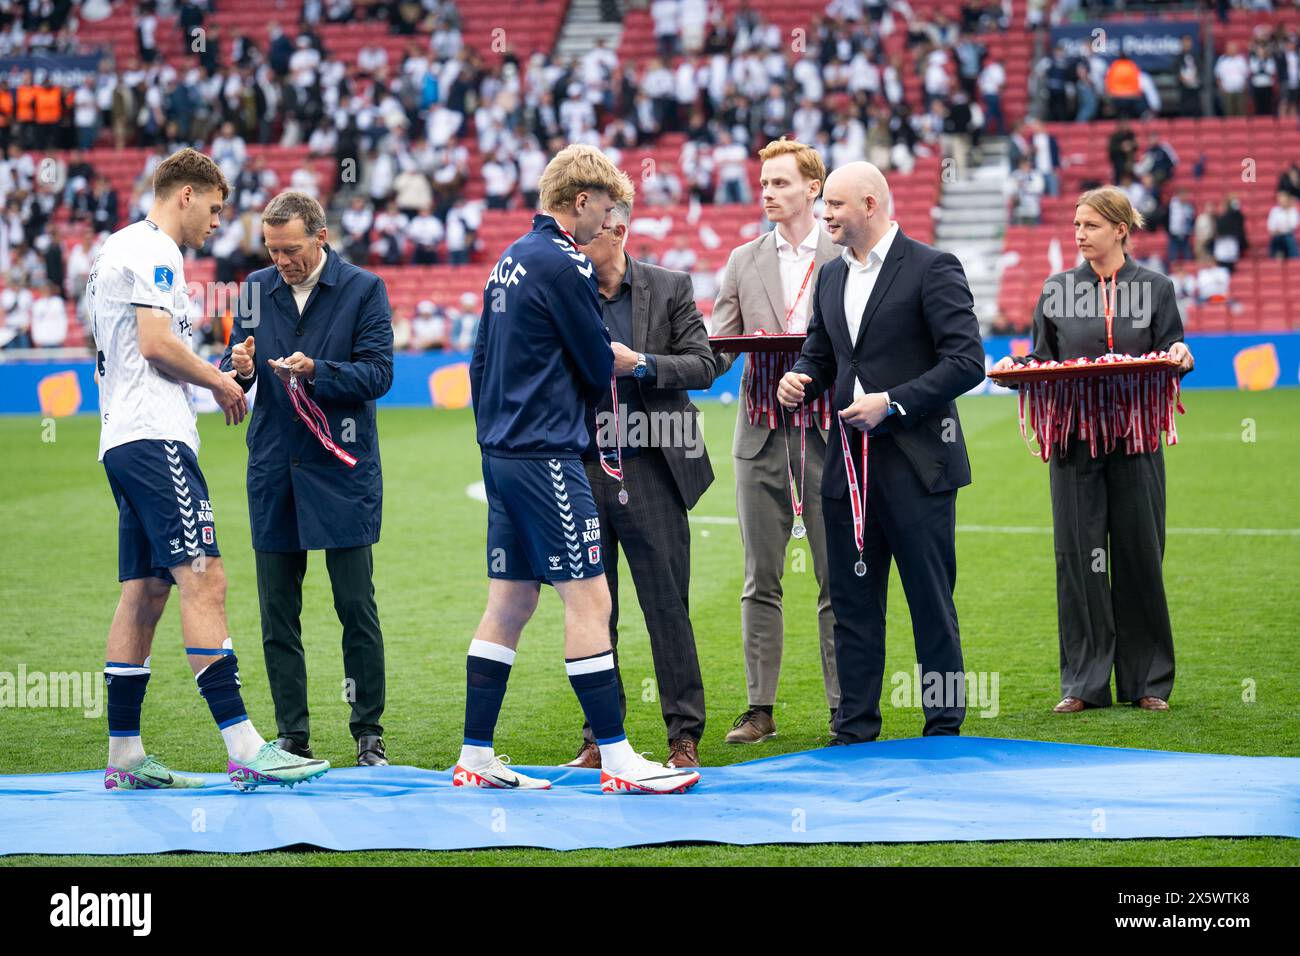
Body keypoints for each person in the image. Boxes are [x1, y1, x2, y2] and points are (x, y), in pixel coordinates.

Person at [462, 144, 700, 794]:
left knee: (509, 600)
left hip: (502, 454)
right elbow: (599, 368)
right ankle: (619, 759)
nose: (611, 219)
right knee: (591, 597)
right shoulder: (565, 263)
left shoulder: (509, 259)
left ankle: (475, 755)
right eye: (607, 205)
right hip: (547, 455)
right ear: (581, 201)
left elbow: (480, 362)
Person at [89, 147, 329, 791]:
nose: (219, 223)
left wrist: (220, 375)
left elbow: (144, 356)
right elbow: (157, 346)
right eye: (216, 208)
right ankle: (246, 747)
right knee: (206, 577)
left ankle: (124, 755)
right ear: (186, 194)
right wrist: (223, 386)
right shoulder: (156, 252)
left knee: (144, 592)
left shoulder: (116, 249)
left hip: (122, 437)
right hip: (155, 440)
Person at [777, 161, 986, 744]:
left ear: (870, 205)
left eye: (835, 206)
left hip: (919, 466)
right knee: (851, 601)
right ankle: (855, 726)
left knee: (930, 601)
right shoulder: (830, 278)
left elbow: (967, 362)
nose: (825, 216)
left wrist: (892, 402)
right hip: (846, 470)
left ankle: (943, 726)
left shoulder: (932, 267)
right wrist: (798, 379)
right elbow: (822, 357)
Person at [991, 186, 1195, 714]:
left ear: (1121, 230)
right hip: (1072, 443)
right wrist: (1019, 370)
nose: (1080, 234)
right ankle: (1083, 683)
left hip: (1137, 439)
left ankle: (1148, 681)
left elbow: (1174, 350)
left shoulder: (1155, 287)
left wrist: (1179, 354)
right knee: (1078, 562)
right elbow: (1040, 358)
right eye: (1077, 225)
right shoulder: (1055, 290)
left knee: (1140, 556)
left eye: (1091, 226)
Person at [221, 191, 394, 767]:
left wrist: (319, 371)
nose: (281, 261)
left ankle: (368, 733)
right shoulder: (253, 289)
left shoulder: (364, 289)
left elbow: (378, 375)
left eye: (291, 249)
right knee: (277, 613)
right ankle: (292, 735)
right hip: (274, 470)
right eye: (272, 250)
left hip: (341, 469)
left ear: (321, 237)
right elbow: (232, 368)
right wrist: (237, 371)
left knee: (355, 606)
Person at [563, 196, 718, 771]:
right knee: (592, 612)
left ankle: (683, 735)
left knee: (666, 608)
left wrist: (643, 364)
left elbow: (704, 364)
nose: (576, 246)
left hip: (653, 465)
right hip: (583, 467)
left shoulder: (670, 285)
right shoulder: (566, 291)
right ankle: (600, 735)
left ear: (619, 231)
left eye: (586, 237)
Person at [711, 139, 842, 744]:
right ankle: (759, 708)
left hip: (827, 429)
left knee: (835, 575)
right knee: (760, 576)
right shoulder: (742, 259)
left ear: (813, 189)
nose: (768, 193)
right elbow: (719, 347)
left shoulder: (846, 254)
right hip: (759, 432)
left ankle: (847, 706)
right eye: (764, 183)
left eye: (781, 183)